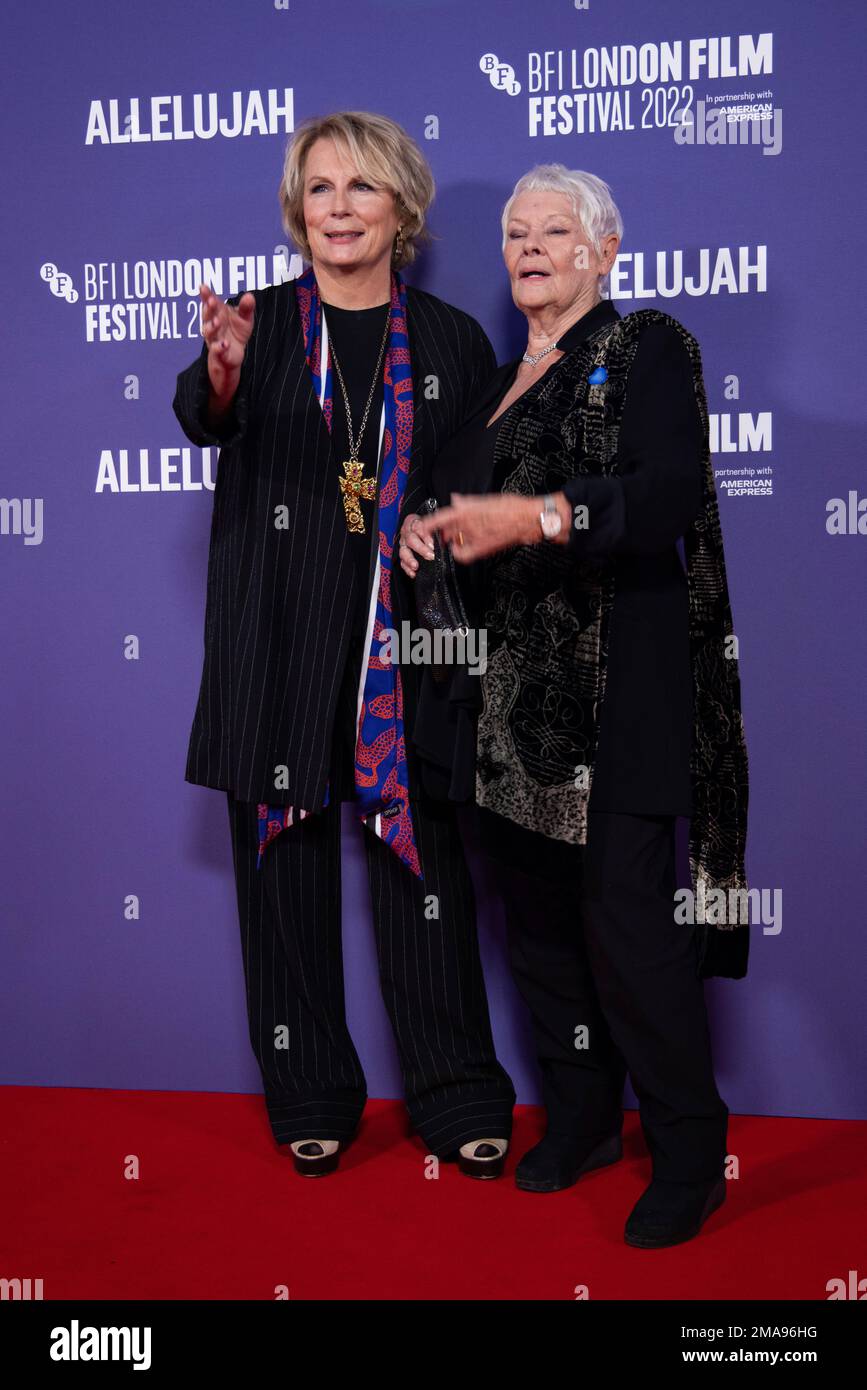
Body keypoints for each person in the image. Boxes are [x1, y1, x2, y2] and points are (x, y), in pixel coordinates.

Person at [400, 163, 749, 1245]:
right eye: (516, 233)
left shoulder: (647, 345)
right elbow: (454, 509)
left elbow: (664, 493)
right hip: (498, 716)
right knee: (543, 937)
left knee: (632, 935)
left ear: (605, 248)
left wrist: (538, 517)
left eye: (557, 230)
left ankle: (691, 1153)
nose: (532, 246)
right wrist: (426, 533)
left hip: (611, 705)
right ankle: (589, 1119)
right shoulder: (499, 382)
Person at [173, 111, 515, 1180]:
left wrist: (437, 525)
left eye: (360, 189)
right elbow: (206, 413)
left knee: (427, 879)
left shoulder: (453, 339)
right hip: (278, 641)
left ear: (400, 207)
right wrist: (222, 374)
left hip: (402, 653)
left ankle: (457, 1092)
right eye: (319, 190)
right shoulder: (259, 324)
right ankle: (310, 1091)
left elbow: (472, 497)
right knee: (282, 871)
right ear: (296, 210)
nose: (338, 209)